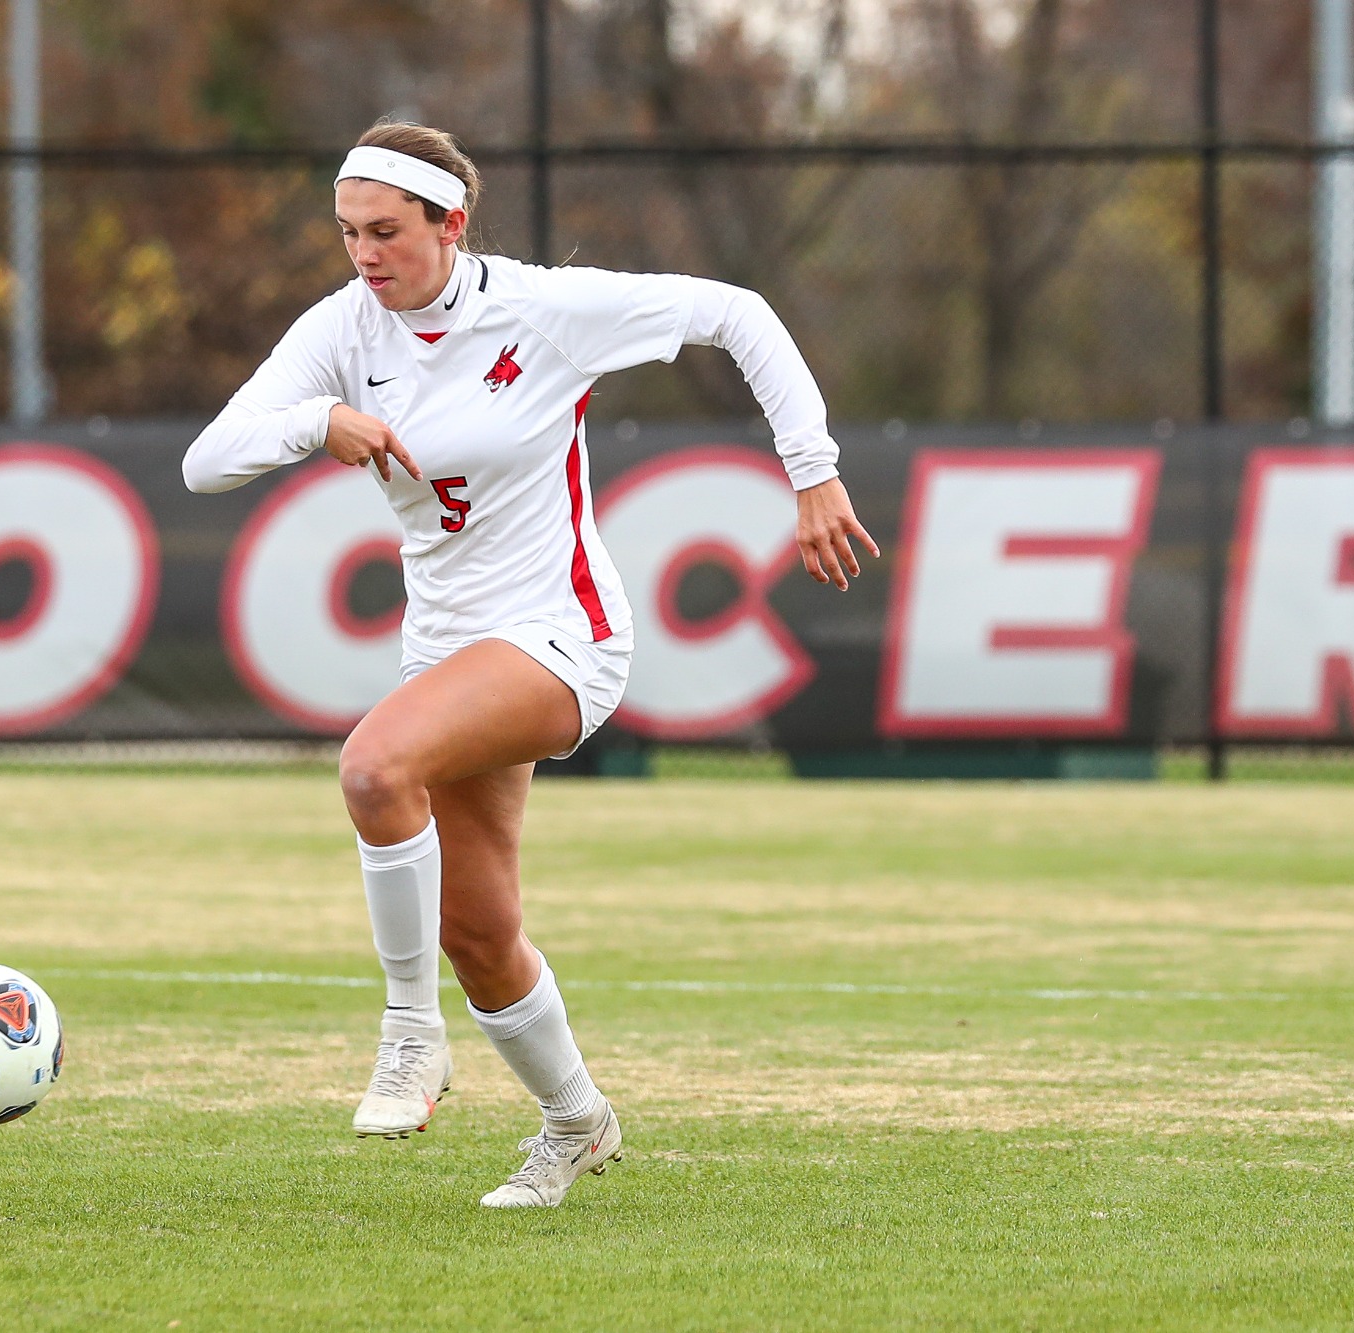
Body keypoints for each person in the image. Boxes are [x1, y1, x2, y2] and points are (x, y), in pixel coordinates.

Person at [183, 120, 877, 1208]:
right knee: (476, 926)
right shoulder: (340, 330)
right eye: (346, 233)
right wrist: (318, 420)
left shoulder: (544, 310)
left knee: (373, 770)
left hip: (564, 634)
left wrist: (812, 470)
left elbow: (737, 315)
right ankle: (575, 1123)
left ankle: (409, 1036)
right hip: (447, 644)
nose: (365, 255)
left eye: (387, 232)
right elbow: (205, 460)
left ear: (449, 224)